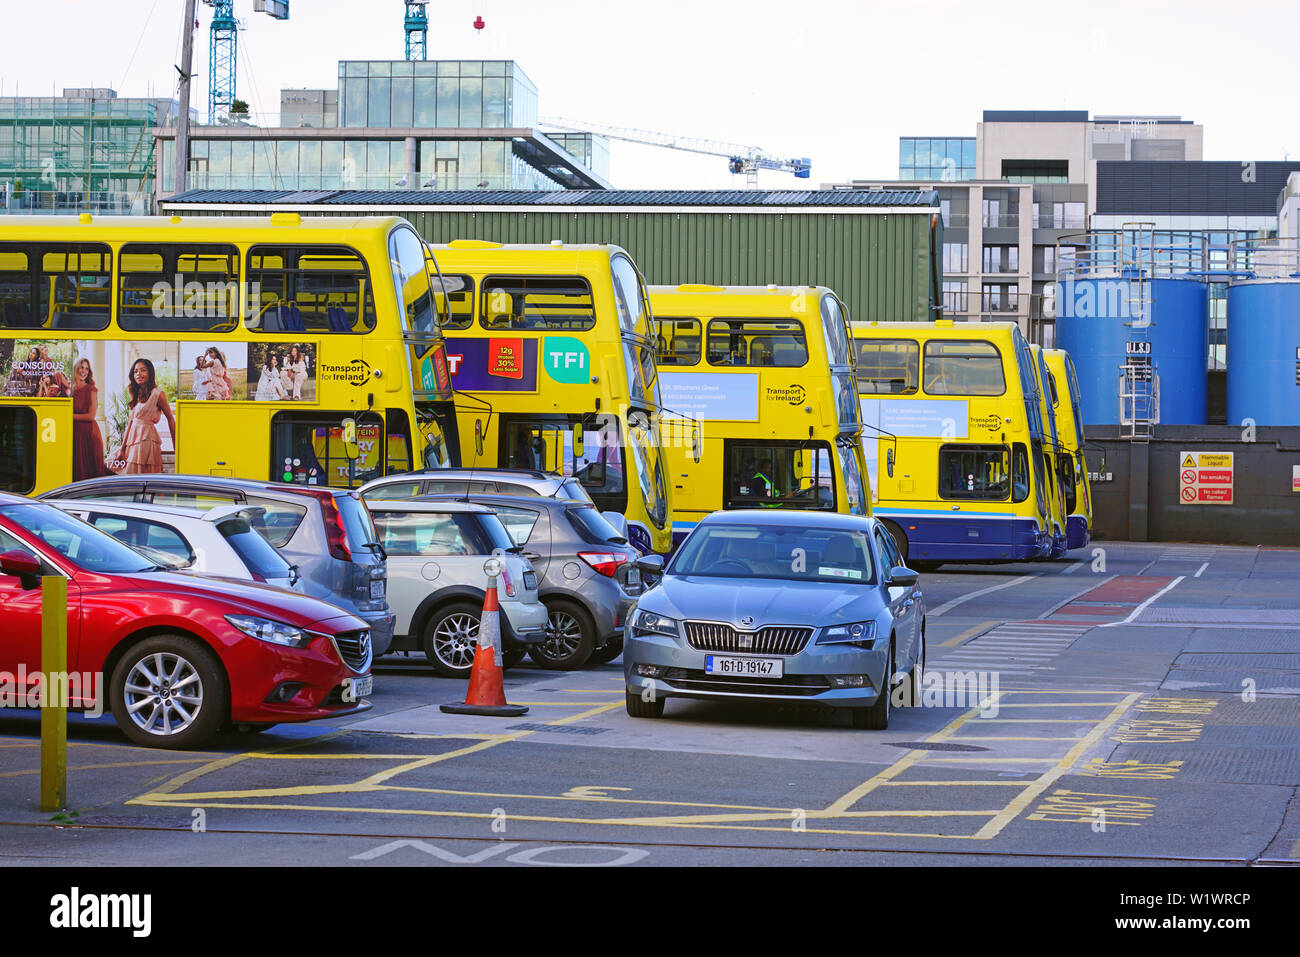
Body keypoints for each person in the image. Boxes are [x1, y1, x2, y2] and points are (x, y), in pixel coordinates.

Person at [110, 358, 176, 475]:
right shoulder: (134, 392)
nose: (138, 374)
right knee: (113, 467)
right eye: (135, 371)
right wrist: (123, 447)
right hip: (132, 441)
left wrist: (177, 447)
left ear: (150, 373)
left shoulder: (158, 394)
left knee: (141, 477)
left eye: (143, 370)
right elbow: (131, 421)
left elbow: (170, 419)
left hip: (147, 440)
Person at [71, 358, 108, 482]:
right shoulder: (69, 389)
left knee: (89, 470)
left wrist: (69, 417)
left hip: (88, 434)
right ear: (76, 368)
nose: (84, 371)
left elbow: (91, 416)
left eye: (87, 368)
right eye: (81, 367)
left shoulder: (91, 389)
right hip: (73, 433)